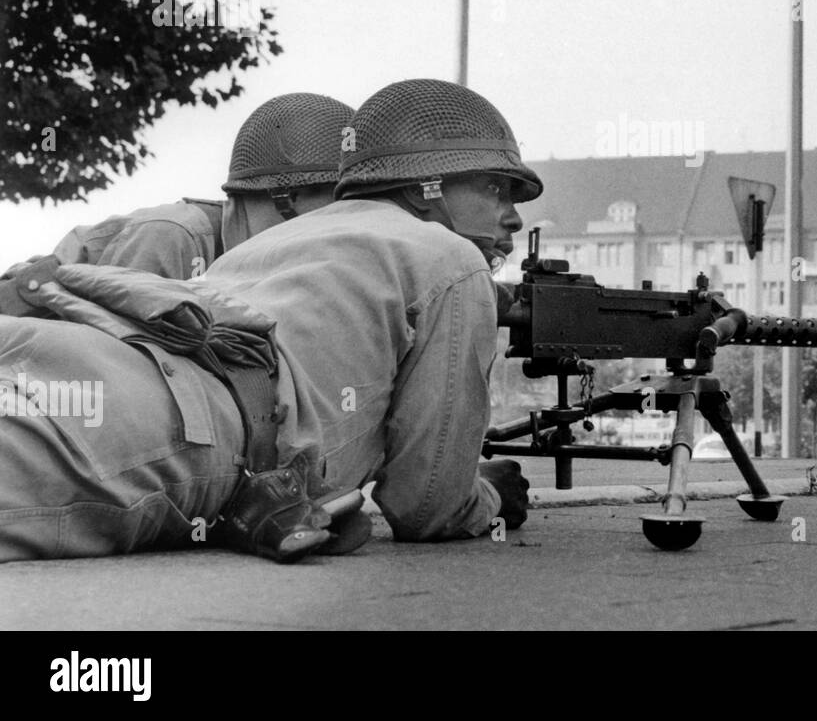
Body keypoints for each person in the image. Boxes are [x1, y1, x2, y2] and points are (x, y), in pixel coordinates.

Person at [0, 79, 533, 562]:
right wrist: (484, 495)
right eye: (495, 187)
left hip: (77, 352)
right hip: (170, 416)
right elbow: (428, 507)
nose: (512, 214)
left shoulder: (277, 237)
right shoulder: (449, 260)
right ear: (426, 188)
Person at [41, 92, 355, 280]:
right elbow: (112, 364)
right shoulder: (173, 238)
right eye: (340, 206)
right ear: (288, 196)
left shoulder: (251, 259)